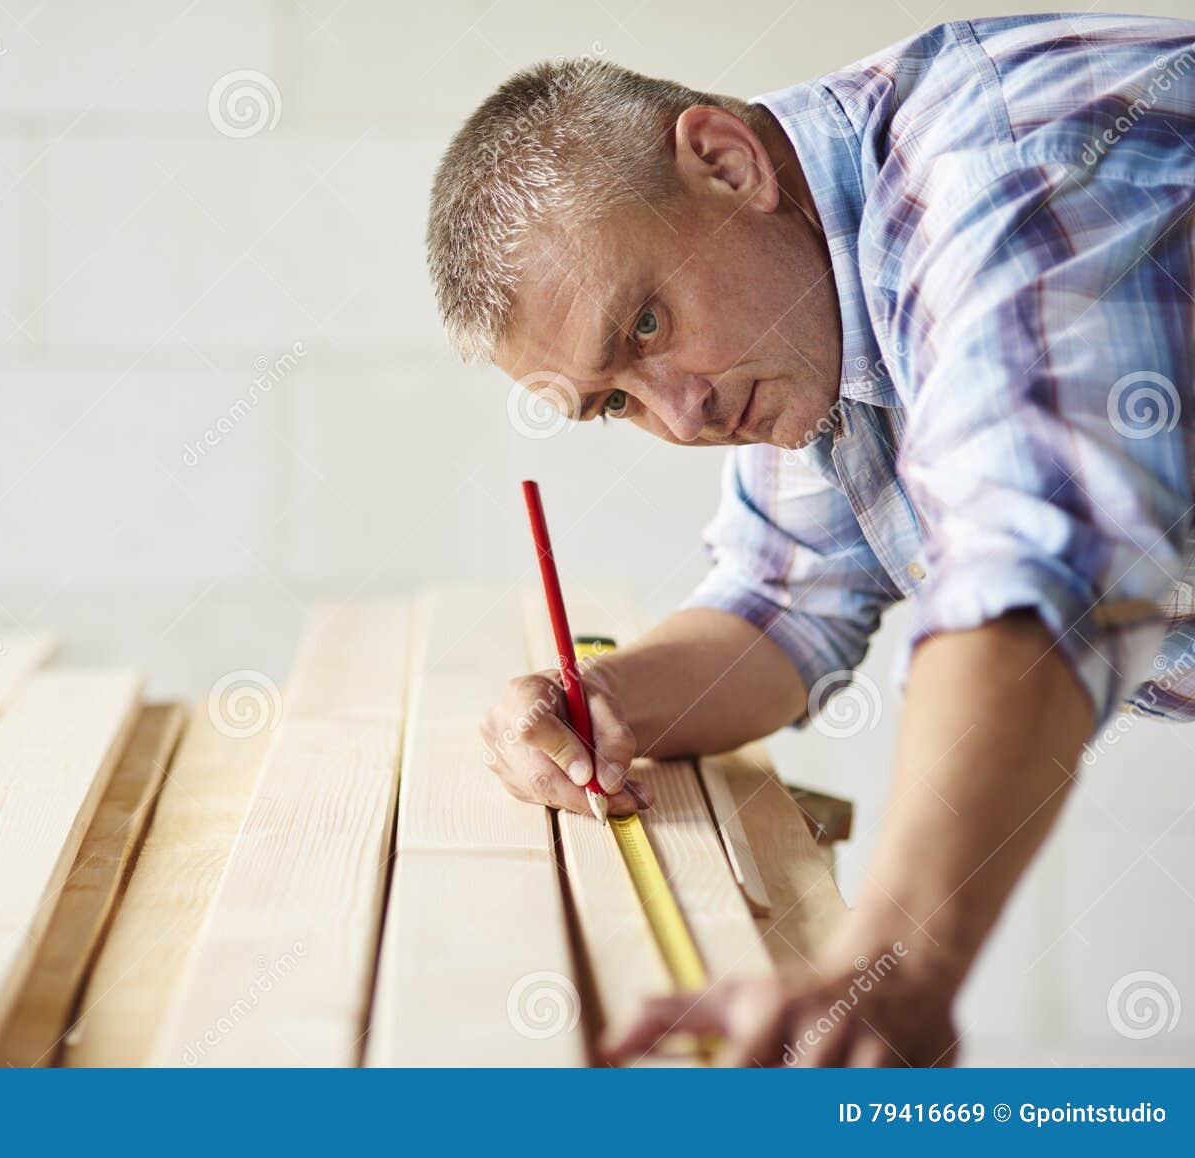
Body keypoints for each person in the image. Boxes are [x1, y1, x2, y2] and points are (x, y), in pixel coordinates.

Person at [425, 13, 1195, 1065]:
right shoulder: (799, 318)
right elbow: (784, 605)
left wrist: (892, 966)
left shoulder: (1003, 175)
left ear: (725, 165)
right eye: (614, 404)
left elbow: (1043, 564)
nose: (681, 417)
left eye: (645, 327)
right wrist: (601, 702)